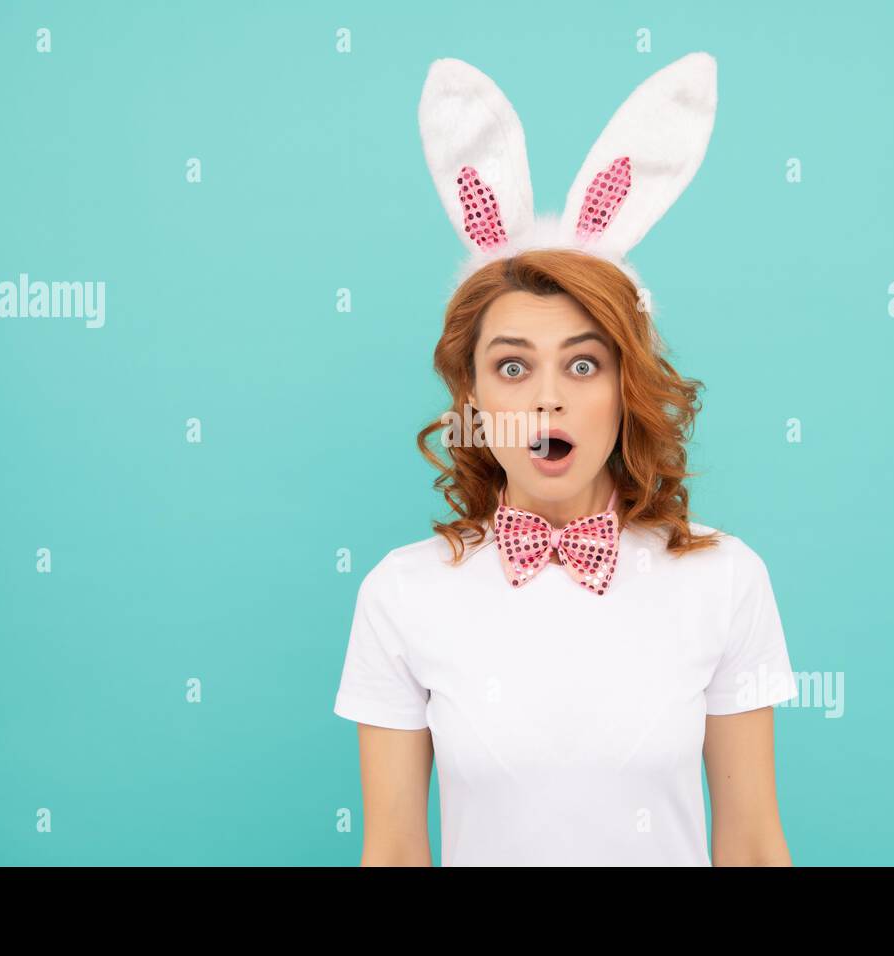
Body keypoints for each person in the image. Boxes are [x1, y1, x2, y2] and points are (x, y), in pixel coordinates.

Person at [333, 52, 800, 866]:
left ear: (626, 391)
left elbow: (754, 845)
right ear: (473, 402)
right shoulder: (400, 594)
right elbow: (395, 854)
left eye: (583, 364)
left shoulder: (727, 580)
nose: (547, 399)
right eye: (513, 366)